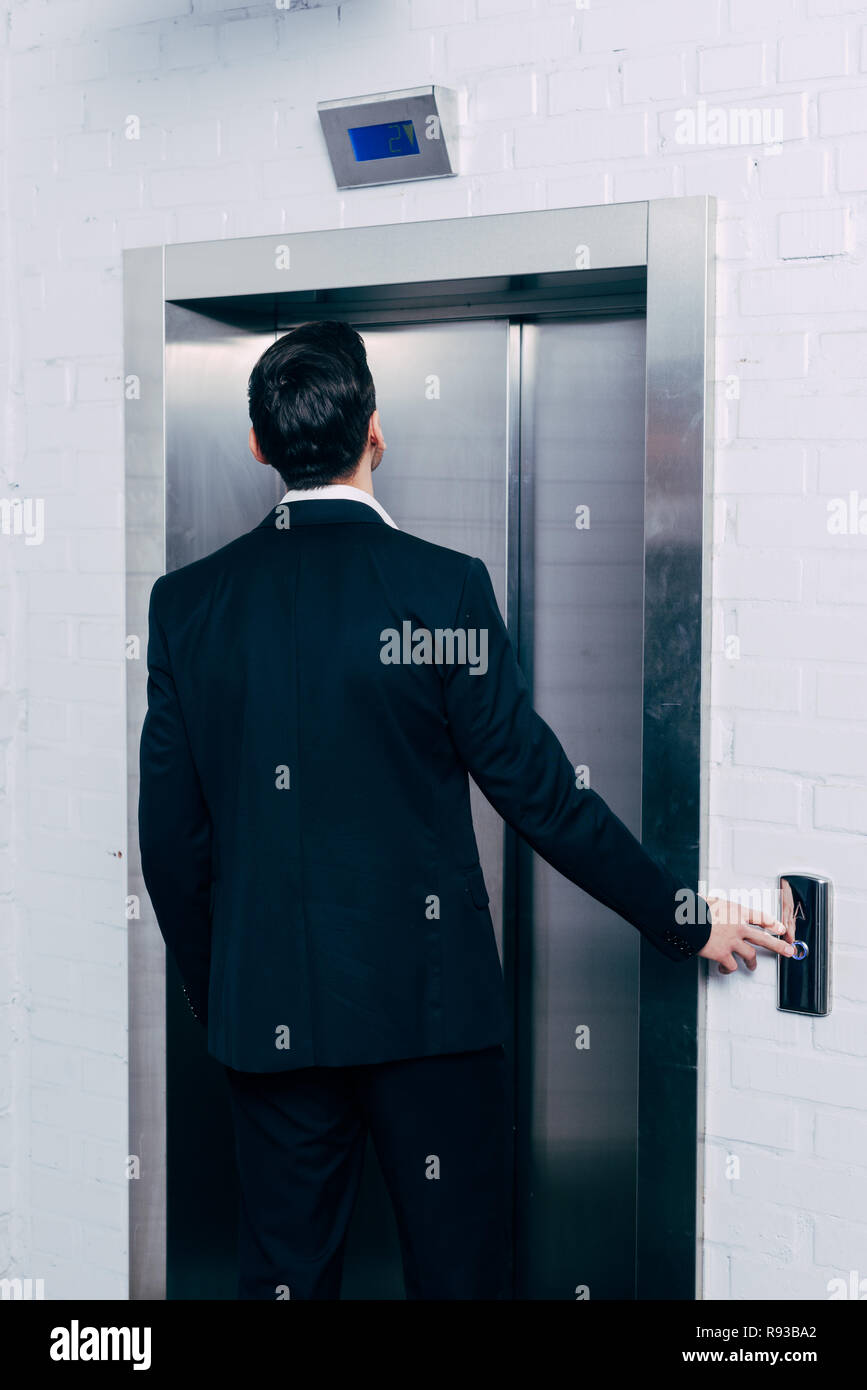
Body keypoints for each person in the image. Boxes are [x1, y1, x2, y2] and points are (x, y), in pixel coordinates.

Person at [138, 320, 795, 1301]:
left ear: (256, 446)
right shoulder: (442, 593)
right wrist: (681, 915)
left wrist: (223, 983)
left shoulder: (188, 604)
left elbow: (169, 843)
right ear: (377, 432)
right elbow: (541, 792)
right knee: (460, 1278)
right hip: (431, 1019)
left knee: (284, 1279)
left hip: (266, 1016)